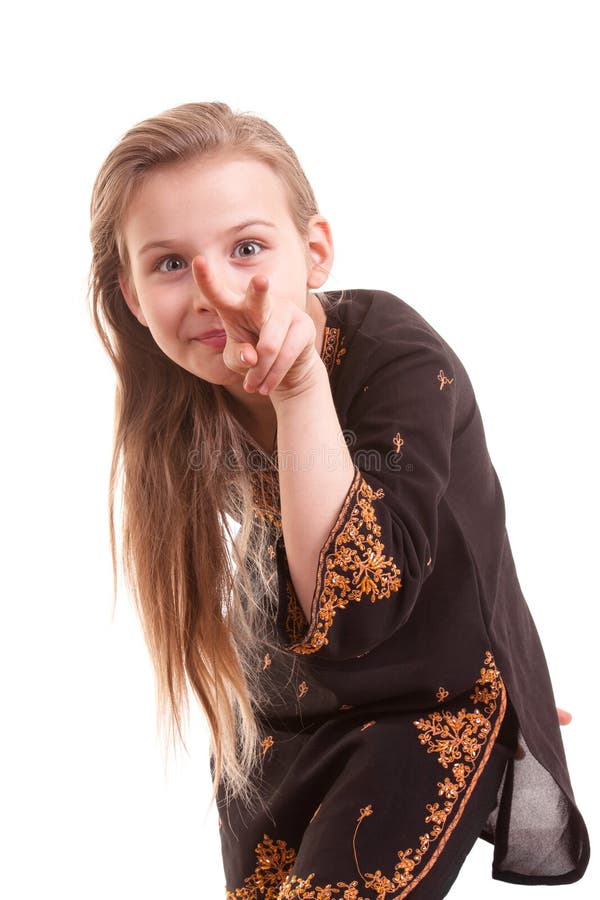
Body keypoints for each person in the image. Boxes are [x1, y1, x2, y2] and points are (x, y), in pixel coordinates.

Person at [88, 102, 589, 898]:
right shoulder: (183, 404)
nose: (215, 291)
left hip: (429, 704)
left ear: (313, 251)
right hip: (289, 716)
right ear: (132, 295)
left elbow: (360, 605)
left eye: (247, 247)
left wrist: (299, 393)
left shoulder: (397, 356)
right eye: (170, 264)